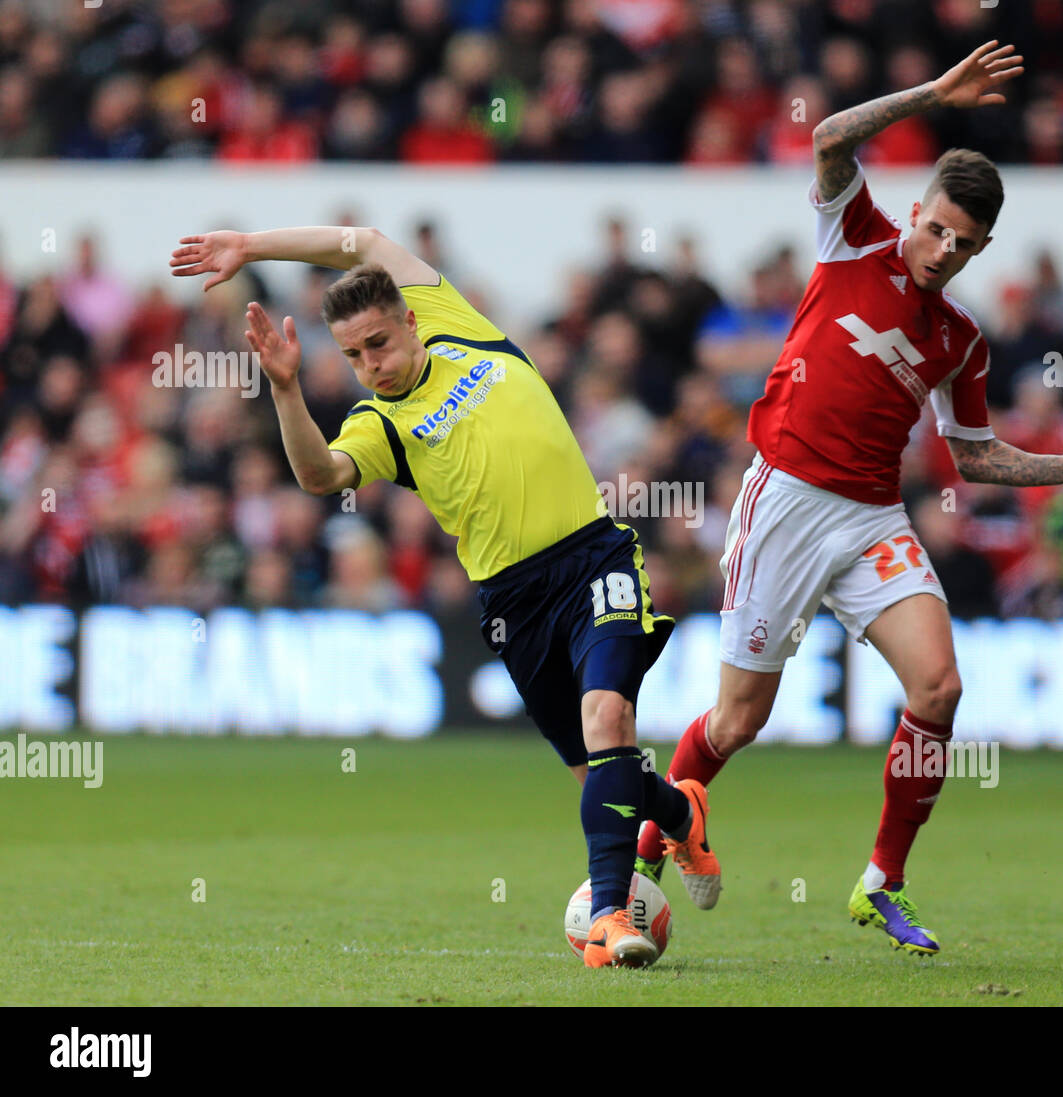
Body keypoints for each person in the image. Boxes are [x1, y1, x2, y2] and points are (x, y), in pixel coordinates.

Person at [633, 41, 1063, 954]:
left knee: (940, 686)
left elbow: (976, 457)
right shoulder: (856, 237)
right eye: (937, 229)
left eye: (965, 244)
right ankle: (641, 858)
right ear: (915, 212)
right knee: (737, 720)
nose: (943, 251)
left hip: (872, 516)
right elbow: (831, 137)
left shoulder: (960, 338)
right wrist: (933, 93)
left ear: (982, 249)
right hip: (788, 499)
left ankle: (881, 881)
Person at [170, 225, 720, 967]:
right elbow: (320, 476)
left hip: (595, 556)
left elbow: (362, 240)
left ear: (412, 319)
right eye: (355, 355)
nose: (371, 365)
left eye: (379, 343)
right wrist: (287, 387)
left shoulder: (462, 325)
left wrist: (253, 246)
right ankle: (681, 809)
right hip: (514, 603)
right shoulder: (380, 422)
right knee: (598, 767)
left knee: (607, 713)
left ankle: (610, 914)